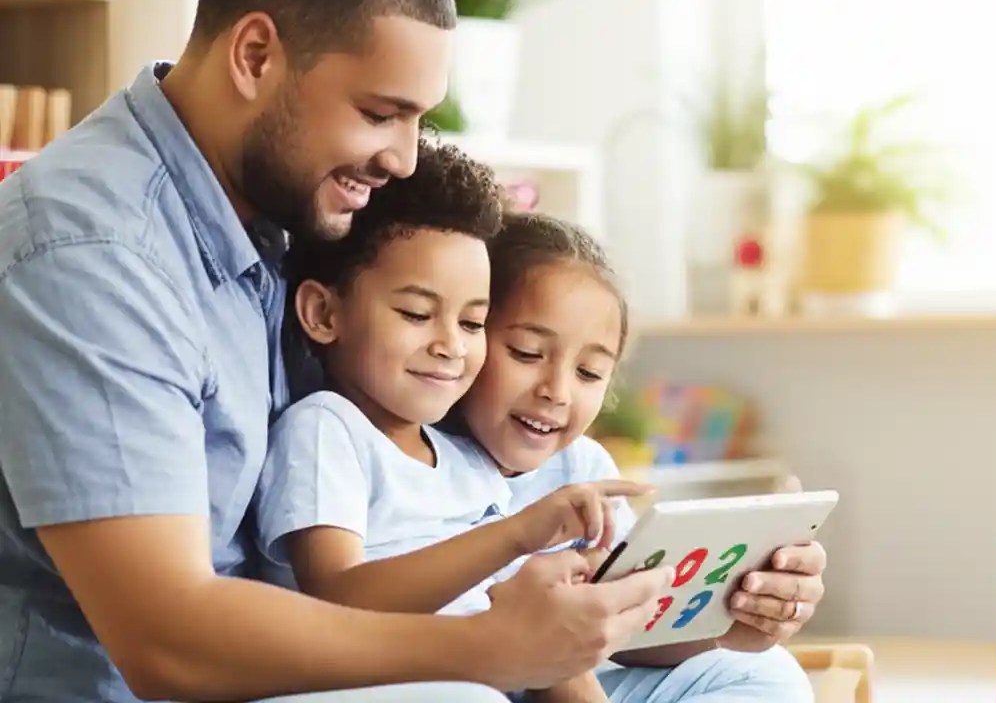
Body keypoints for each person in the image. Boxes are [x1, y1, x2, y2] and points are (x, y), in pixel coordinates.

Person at [0, 0, 667, 701]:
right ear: (255, 57)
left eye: (418, 120)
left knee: (746, 676)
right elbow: (163, 638)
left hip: (340, 654)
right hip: (165, 685)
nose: (405, 160)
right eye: (380, 113)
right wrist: (487, 647)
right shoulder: (92, 252)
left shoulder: (296, 207)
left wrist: (708, 597)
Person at [256, 207, 827, 702]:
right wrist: (524, 544)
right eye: (526, 352)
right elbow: (344, 599)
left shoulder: (567, 468)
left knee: (766, 674)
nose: (557, 390)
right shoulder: (356, 434)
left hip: (529, 679)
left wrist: (731, 616)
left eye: (589, 372)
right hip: (445, 678)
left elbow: (624, 636)